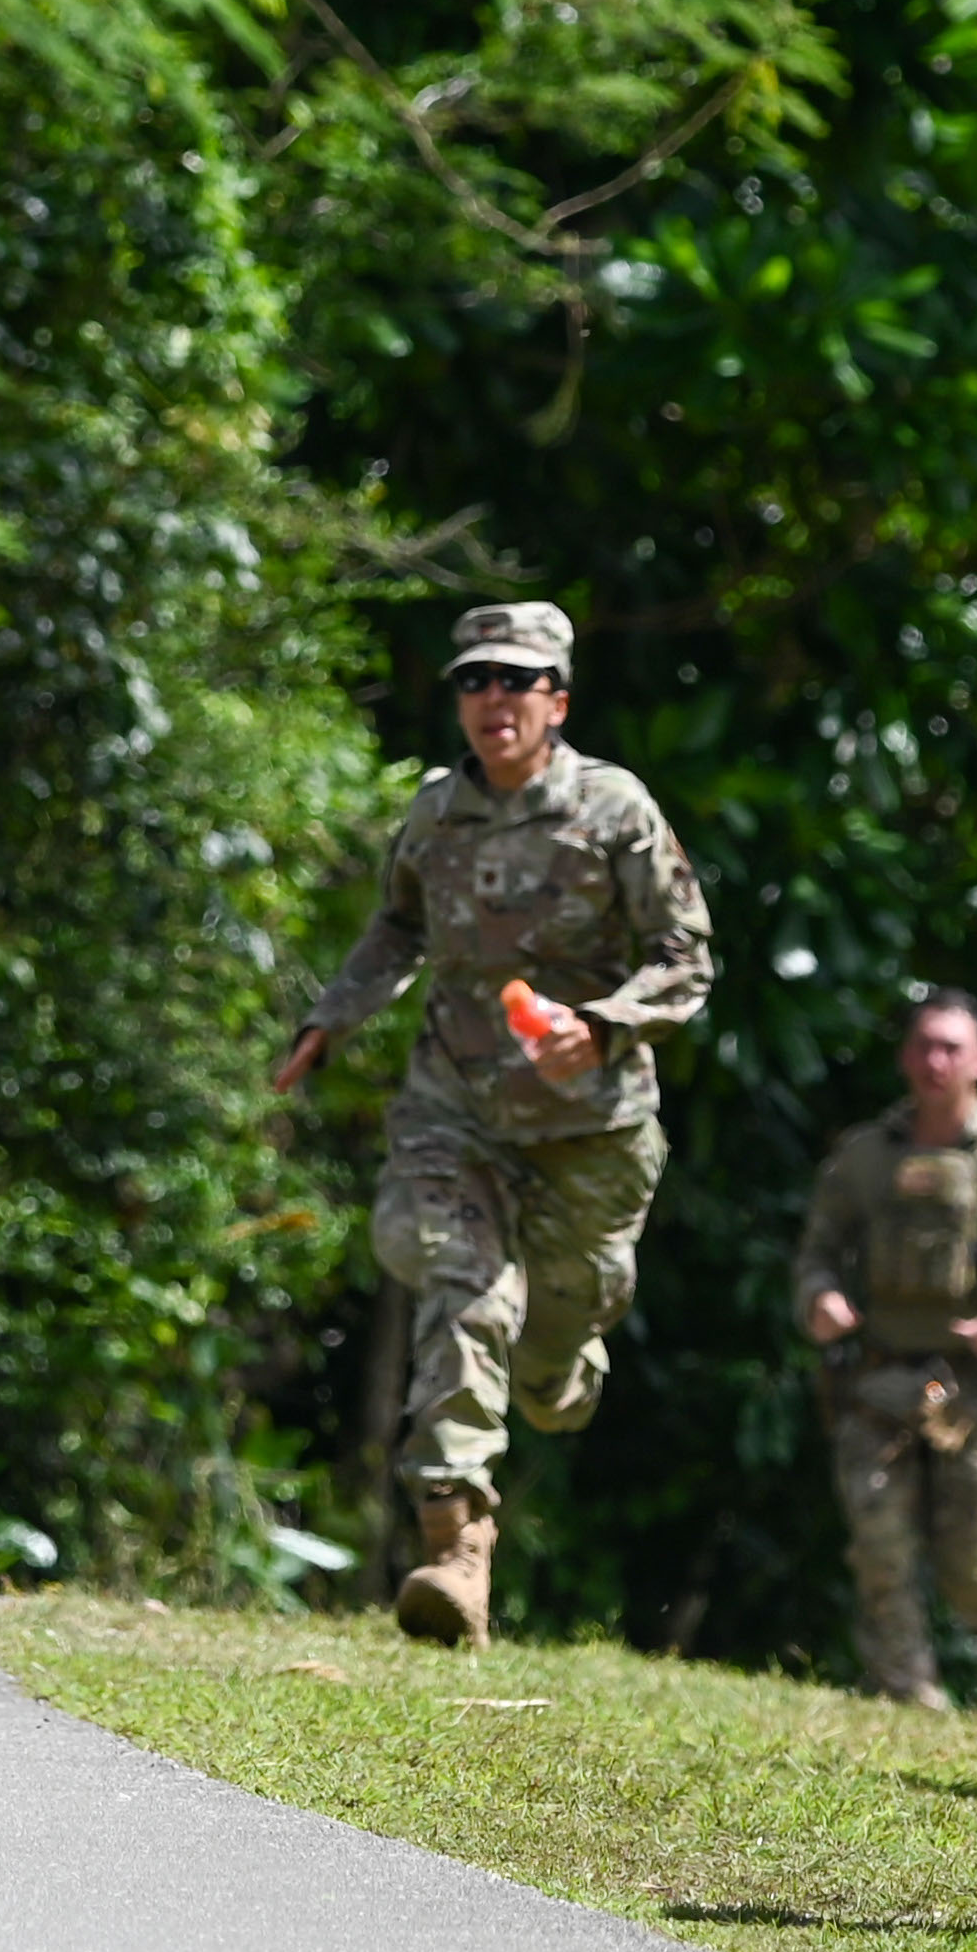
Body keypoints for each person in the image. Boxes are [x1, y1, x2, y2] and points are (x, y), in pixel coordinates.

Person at [275, 601, 712, 1648]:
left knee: (552, 1350)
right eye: (474, 681)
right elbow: (396, 924)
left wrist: (602, 1027)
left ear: (557, 701)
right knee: (463, 1290)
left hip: (589, 1132)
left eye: (516, 681)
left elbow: (686, 955)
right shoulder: (434, 814)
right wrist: (331, 1019)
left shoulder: (615, 811)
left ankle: (561, 1359)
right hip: (454, 1110)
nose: (493, 700)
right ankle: (454, 1549)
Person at [794, 988, 977, 1711]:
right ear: (904, 1055)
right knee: (879, 1552)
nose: (934, 1061)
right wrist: (819, 1298)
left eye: (951, 1047)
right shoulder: (862, 1157)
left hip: (975, 1394)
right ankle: (907, 1700)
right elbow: (816, 1252)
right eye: (923, 1044)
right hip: (878, 1384)